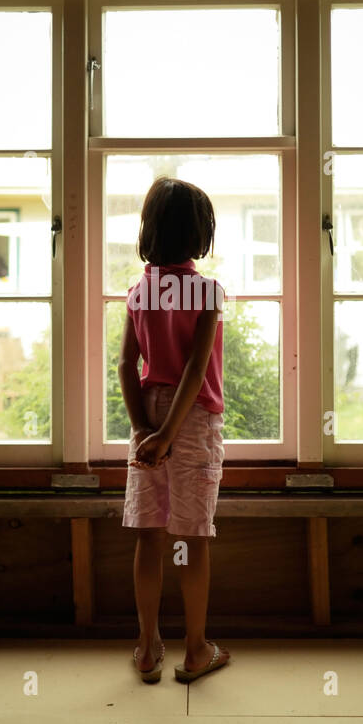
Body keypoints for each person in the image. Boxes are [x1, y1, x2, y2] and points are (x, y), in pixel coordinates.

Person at [117, 177, 231, 685]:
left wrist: (146, 427)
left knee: (149, 534)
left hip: (149, 413)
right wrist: (169, 433)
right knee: (192, 537)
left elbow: (125, 364)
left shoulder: (140, 290)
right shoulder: (207, 291)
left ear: (151, 230)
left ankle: (146, 648)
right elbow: (195, 368)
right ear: (200, 233)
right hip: (193, 418)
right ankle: (195, 650)